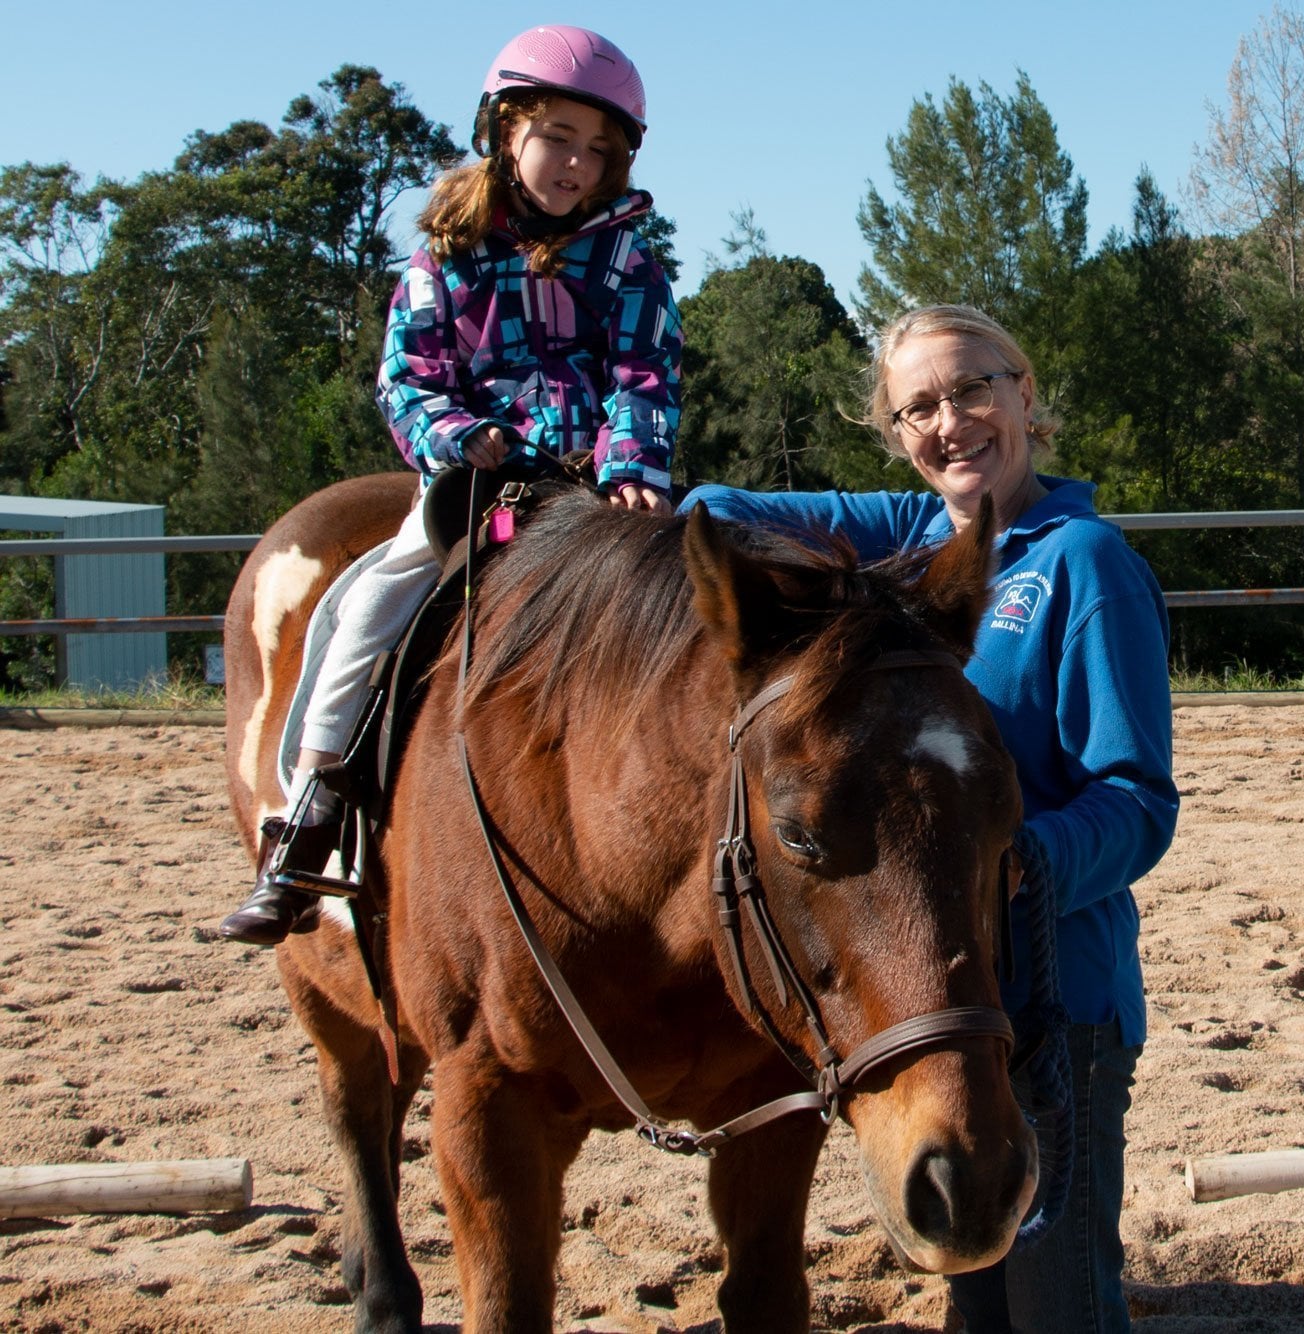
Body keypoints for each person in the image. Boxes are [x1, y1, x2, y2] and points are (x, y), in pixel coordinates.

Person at [682, 304, 1178, 1333]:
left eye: (974, 389)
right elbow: (714, 507)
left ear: (1026, 395)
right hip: (932, 1006)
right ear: (895, 434)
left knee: (1058, 1310)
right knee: (976, 1307)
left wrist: (1014, 863)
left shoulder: (1083, 564)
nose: (951, 420)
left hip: (1052, 1004)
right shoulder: (912, 546)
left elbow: (1136, 801)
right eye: (919, 407)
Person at [218, 24, 682, 945]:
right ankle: (309, 819)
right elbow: (409, 376)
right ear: (505, 131)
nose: (576, 164)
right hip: (481, 483)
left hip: (595, 490)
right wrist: (461, 438)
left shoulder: (631, 260)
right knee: (373, 603)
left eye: (599, 150)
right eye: (558, 138)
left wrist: (631, 468)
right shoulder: (442, 258)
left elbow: (645, 375)